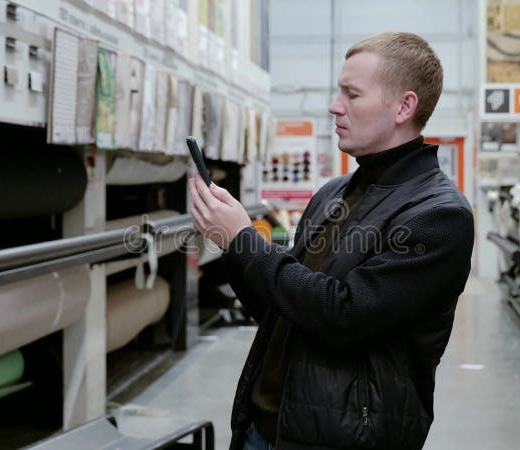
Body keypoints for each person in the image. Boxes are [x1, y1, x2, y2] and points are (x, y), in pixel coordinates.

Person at [188, 31, 474, 450]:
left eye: (352, 94)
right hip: (267, 425)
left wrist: (245, 240)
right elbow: (281, 305)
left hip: (343, 437)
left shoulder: (439, 215)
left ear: (404, 106)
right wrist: (231, 242)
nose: (334, 106)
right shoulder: (334, 193)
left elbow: (345, 315)